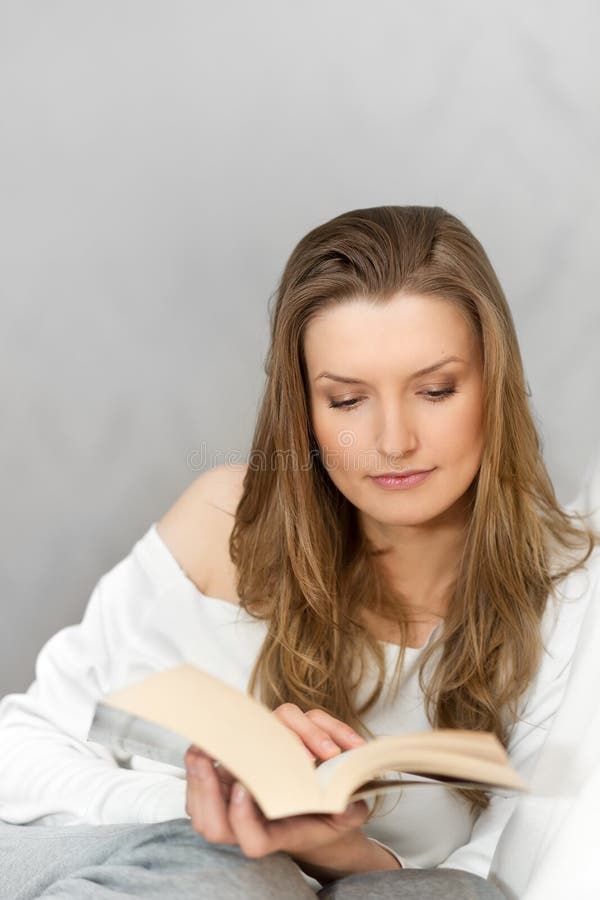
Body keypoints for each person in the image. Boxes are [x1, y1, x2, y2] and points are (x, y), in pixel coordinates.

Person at [0, 205, 598, 900]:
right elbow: (20, 749)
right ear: (305, 413)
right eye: (347, 401)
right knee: (234, 877)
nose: (394, 441)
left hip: (338, 888)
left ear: (494, 384)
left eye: (435, 390)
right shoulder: (229, 520)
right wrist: (207, 820)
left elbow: (499, 873)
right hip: (101, 856)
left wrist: (336, 850)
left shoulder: (566, 590)